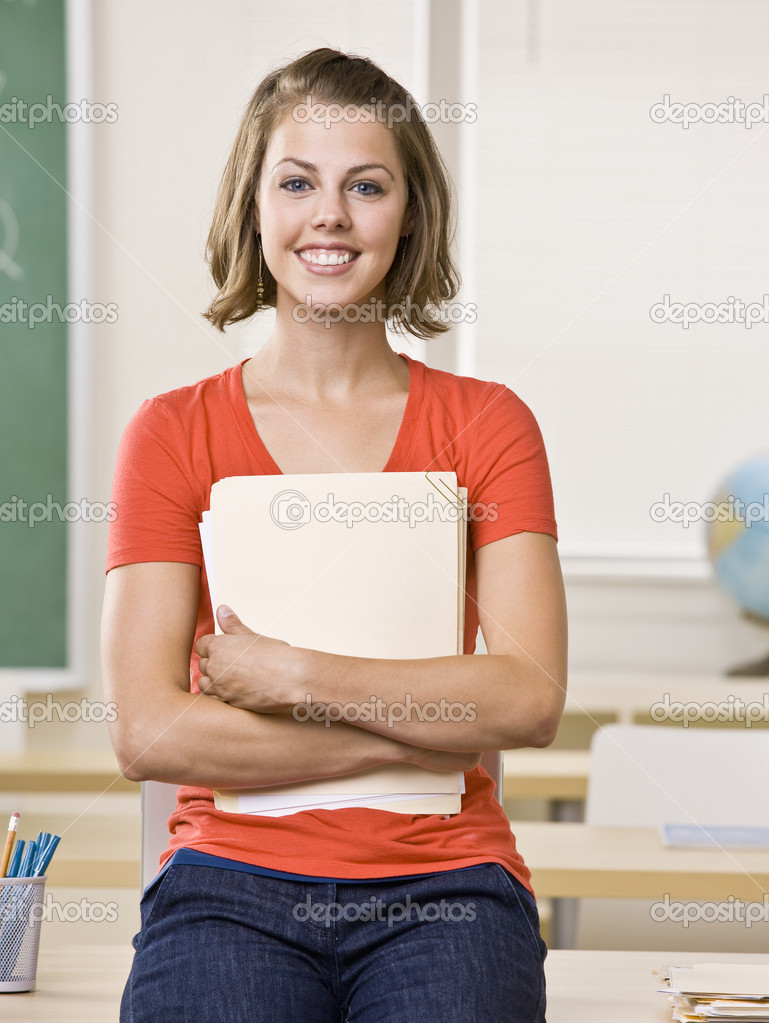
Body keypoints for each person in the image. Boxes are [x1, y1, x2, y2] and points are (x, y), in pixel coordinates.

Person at [102, 46, 567, 1023]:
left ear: (410, 213)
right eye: (298, 182)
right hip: (227, 888)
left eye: (367, 185)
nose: (330, 216)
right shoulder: (172, 432)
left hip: (448, 890)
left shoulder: (488, 424)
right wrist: (418, 736)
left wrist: (292, 681)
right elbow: (148, 731)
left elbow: (524, 701)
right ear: (255, 207)